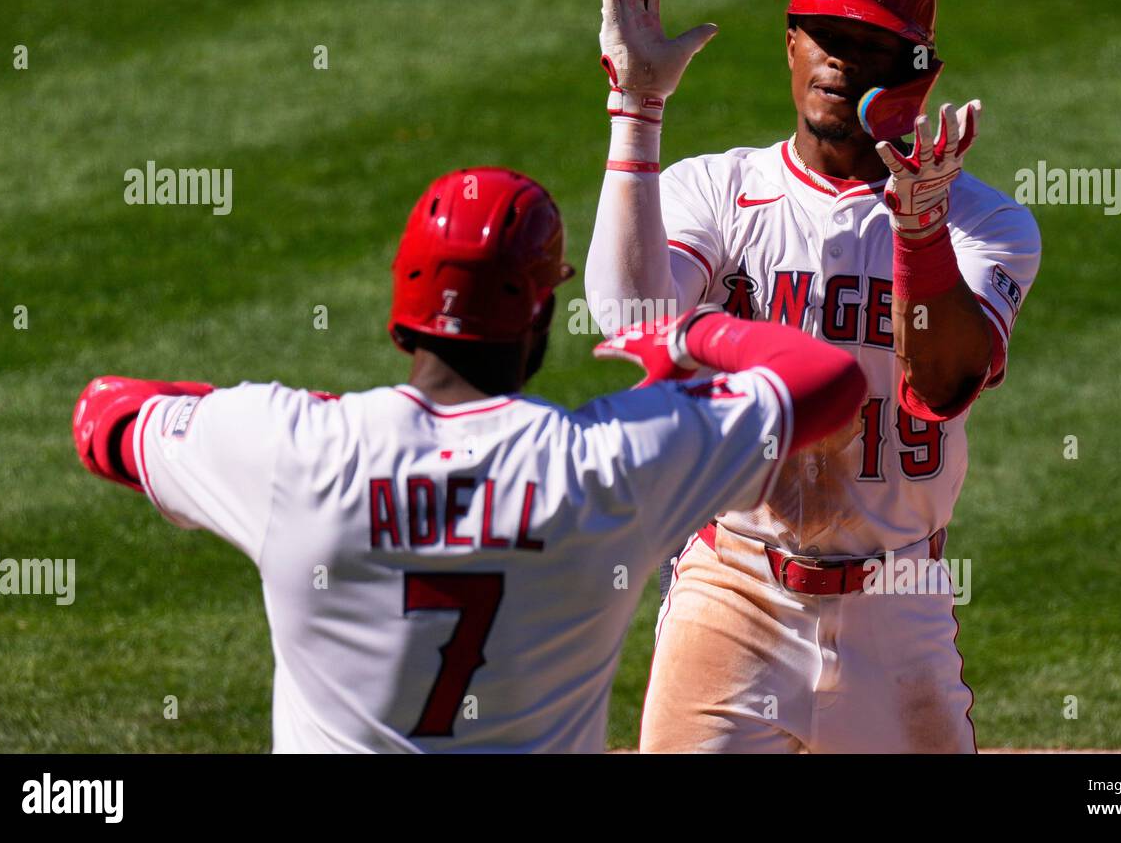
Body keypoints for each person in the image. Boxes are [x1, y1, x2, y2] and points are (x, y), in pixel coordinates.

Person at [72, 165, 868, 752]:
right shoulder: (614, 462)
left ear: (401, 310)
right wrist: (691, 332)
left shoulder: (292, 449)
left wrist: (264, 413)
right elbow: (828, 381)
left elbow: (104, 416)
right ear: (539, 317)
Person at [586, 0, 1041, 752]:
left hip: (898, 601)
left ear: (919, 72)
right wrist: (637, 112)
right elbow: (631, 321)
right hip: (733, 586)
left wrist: (921, 230)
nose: (842, 63)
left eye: (873, 47)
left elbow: (940, 386)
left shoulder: (986, 225)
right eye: (828, 37)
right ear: (792, 42)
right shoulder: (716, 193)